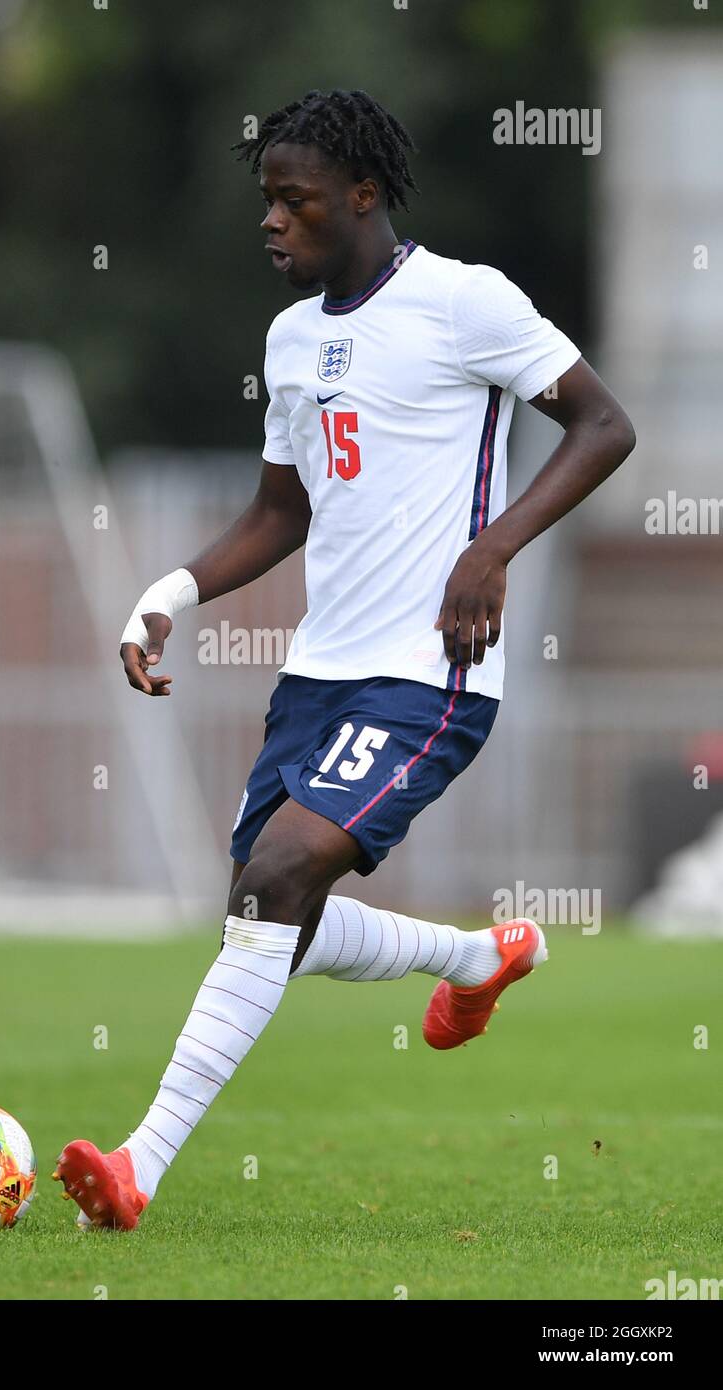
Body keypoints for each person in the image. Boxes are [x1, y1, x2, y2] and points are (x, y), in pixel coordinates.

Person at [53, 88, 635, 1231]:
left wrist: (492, 545)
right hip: (318, 672)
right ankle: (474, 958)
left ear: (360, 195)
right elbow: (282, 511)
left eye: (294, 200)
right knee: (272, 916)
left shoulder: (463, 301)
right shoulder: (287, 338)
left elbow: (603, 425)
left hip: (431, 670)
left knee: (275, 878)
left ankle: (136, 1168)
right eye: (266, 201)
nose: (271, 221)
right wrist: (170, 592)